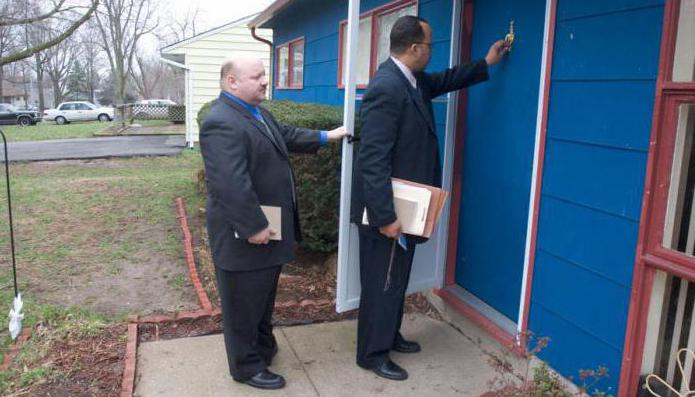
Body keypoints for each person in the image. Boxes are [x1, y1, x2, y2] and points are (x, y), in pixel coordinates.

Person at [350, 15, 509, 381]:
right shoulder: (386, 88)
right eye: (430, 44)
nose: (432, 51)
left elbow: (445, 80)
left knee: (396, 277)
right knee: (382, 281)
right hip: (388, 210)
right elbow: (372, 160)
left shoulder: (412, 81)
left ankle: (388, 335)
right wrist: (385, 216)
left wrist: (485, 62)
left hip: (408, 207)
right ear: (414, 48)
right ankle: (372, 354)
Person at [200, 57, 347, 390]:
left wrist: (327, 135)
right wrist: (253, 226)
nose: (265, 81)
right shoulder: (221, 121)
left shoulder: (257, 112)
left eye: (264, 74)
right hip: (245, 234)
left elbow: (286, 135)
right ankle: (247, 367)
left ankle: (262, 348)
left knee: (262, 296)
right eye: (257, 76)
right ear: (231, 82)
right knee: (243, 303)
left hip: (268, 228)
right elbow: (230, 183)